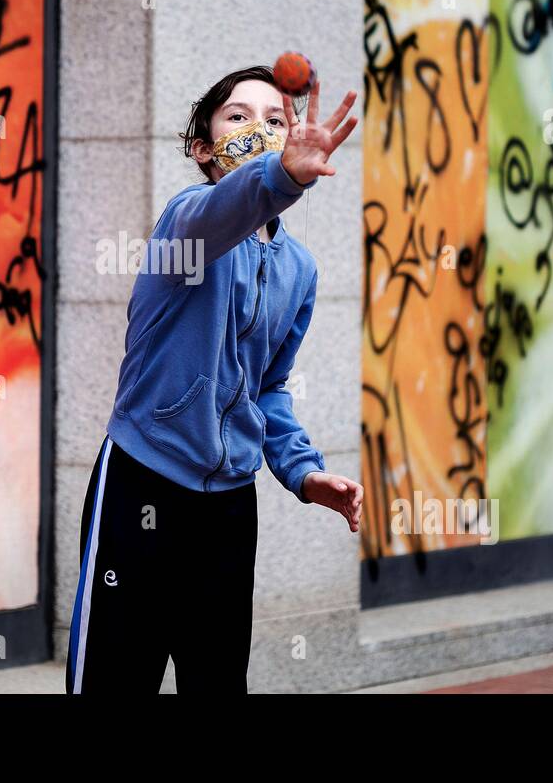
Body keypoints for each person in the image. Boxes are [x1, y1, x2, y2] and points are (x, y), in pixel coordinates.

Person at [66, 65, 364, 694]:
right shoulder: (185, 225)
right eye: (239, 116)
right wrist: (279, 176)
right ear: (202, 148)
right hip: (143, 486)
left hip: (229, 509)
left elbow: (267, 389)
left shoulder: (300, 270)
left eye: (276, 120)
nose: (260, 129)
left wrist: (303, 471)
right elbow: (229, 209)